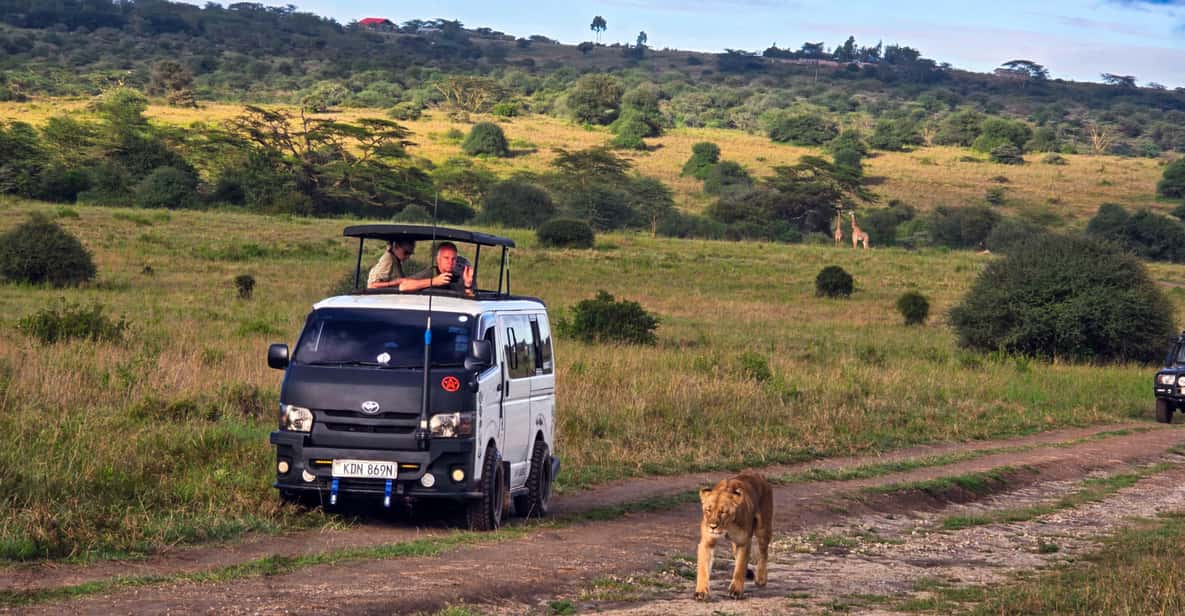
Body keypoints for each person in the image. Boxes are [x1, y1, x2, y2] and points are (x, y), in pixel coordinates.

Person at [399, 241, 474, 294]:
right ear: (438, 260)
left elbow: (469, 302)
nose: (450, 262)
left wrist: (468, 285)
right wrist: (434, 281)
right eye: (446, 258)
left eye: (453, 259)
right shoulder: (430, 273)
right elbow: (403, 286)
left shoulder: (459, 277)